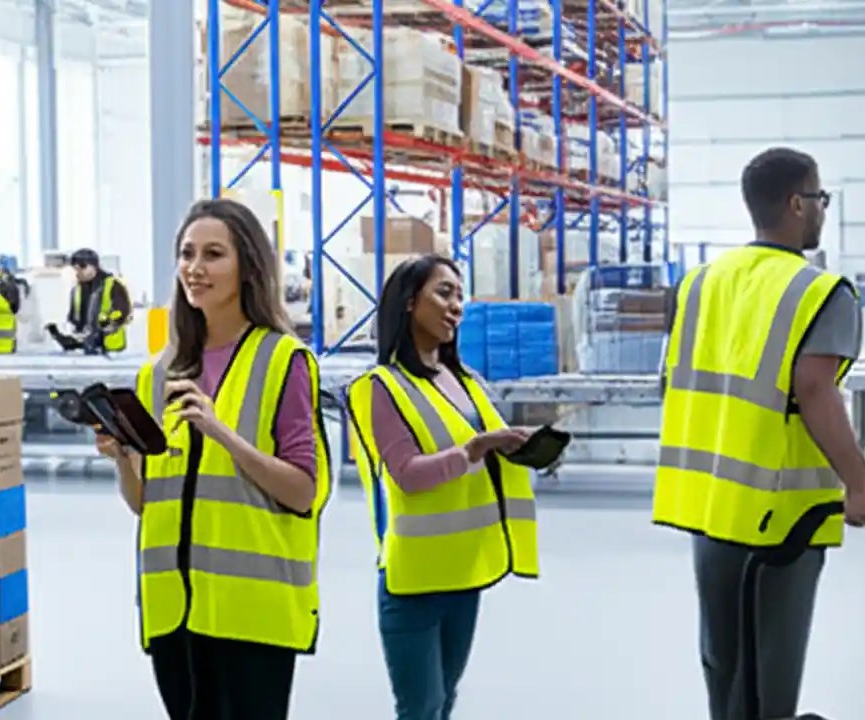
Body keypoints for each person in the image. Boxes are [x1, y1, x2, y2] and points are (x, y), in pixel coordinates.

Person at [653, 147, 865, 720]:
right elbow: (815, 391)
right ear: (795, 204)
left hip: (708, 502)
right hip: (781, 512)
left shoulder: (699, 284)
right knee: (772, 675)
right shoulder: (818, 291)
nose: (822, 210)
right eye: (820, 199)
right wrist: (860, 484)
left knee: (724, 663)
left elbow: (672, 381)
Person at [95, 197, 331, 720]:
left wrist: (221, 433)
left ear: (248, 266)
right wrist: (123, 457)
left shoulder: (284, 361)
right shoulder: (157, 373)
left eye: (213, 254)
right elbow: (146, 505)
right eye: (186, 253)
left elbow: (303, 491)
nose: (194, 269)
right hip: (173, 609)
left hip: (253, 613)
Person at [343, 254, 539, 720]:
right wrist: (472, 451)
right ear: (409, 303)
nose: (457, 307)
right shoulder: (379, 387)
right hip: (413, 580)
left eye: (460, 296)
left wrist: (525, 448)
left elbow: (490, 455)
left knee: (445, 702)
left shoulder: (465, 381)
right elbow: (407, 474)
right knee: (421, 707)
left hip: (465, 572)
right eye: (444, 293)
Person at [68, 248, 132, 352]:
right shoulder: (77, 290)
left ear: (94, 266)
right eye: (76, 269)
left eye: (82, 268)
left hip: (111, 348)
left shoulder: (112, 285)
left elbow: (123, 311)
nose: (79, 272)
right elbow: (74, 317)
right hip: (86, 347)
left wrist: (108, 322)